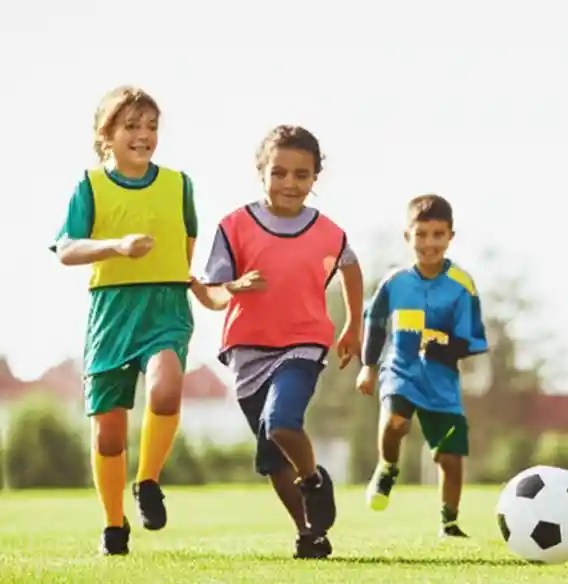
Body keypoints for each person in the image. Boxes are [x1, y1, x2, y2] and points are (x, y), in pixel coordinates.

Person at [191, 125, 363, 560]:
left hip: (303, 344)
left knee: (282, 423)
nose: (290, 183)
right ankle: (310, 532)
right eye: (279, 172)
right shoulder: (234, 226)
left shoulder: (328, 232)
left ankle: (313, 481)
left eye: (301, 175)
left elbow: (351, 267)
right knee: (272, 455)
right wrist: (231, 288)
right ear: (260, 172)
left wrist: (353, 325)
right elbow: (212, 296)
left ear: (315, 179)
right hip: (247, 352)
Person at [52, 85, 197, 556]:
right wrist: (116, 246)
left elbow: (187, 244)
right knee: (109, 432)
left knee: (167, 387)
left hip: (165, 308)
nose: (144, 135)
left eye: (151, 126)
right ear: (105, 136)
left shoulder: (179, 184)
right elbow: (67, 248)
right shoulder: (89, 185)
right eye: (131, 126)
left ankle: (148, 481)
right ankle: (114, 527)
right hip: (111, 315)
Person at [358, 194, 489, 539]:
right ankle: (387, 467)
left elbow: (471, 340)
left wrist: (441, 343)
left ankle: (449, 522)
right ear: (408, 236)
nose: (429, 243)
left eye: (437, 235)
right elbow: (374, 322)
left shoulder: (462, 286)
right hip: (400, 373)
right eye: (421, 234)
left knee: (450, 458)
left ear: (450, 237)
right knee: (395, 422)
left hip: (442, 385)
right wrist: (368, 367)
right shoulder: (394, 283)